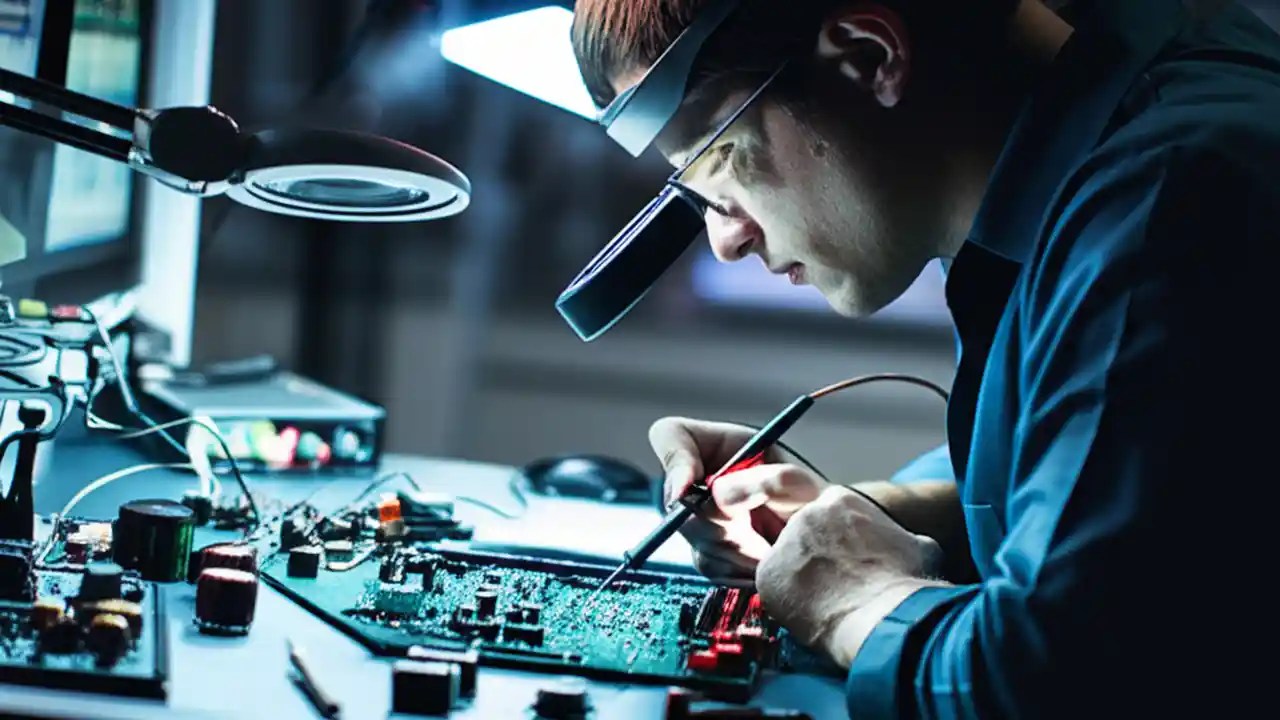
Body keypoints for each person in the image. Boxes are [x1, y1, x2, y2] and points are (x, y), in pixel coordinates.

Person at [567, 0, 1280, 717]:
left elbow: (1045, 683)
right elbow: (1146, 513)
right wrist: (866, 518)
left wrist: (856, 600)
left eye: (717, 159)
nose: (725, 240)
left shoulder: (1168, 206)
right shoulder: (1123, 95)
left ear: (869, 56)